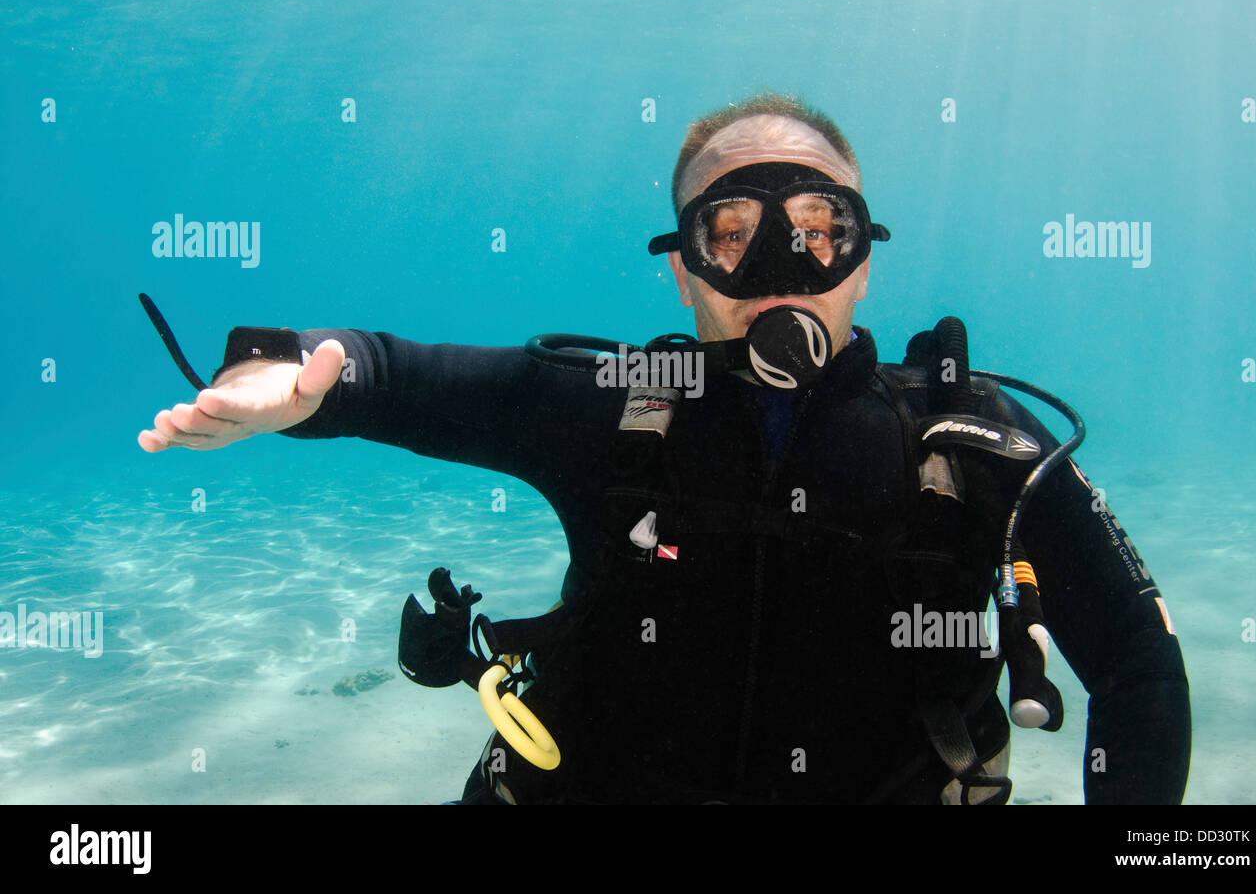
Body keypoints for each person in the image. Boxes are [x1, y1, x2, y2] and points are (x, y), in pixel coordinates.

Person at [139, 93, 1191, 804]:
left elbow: (1136, 663)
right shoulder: (619, 407)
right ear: (683, 271)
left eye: (822, 225)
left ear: (863, 260)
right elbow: (398, 373)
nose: (782, 260)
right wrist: (290, 379)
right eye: (730, 230)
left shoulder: (978, 444)